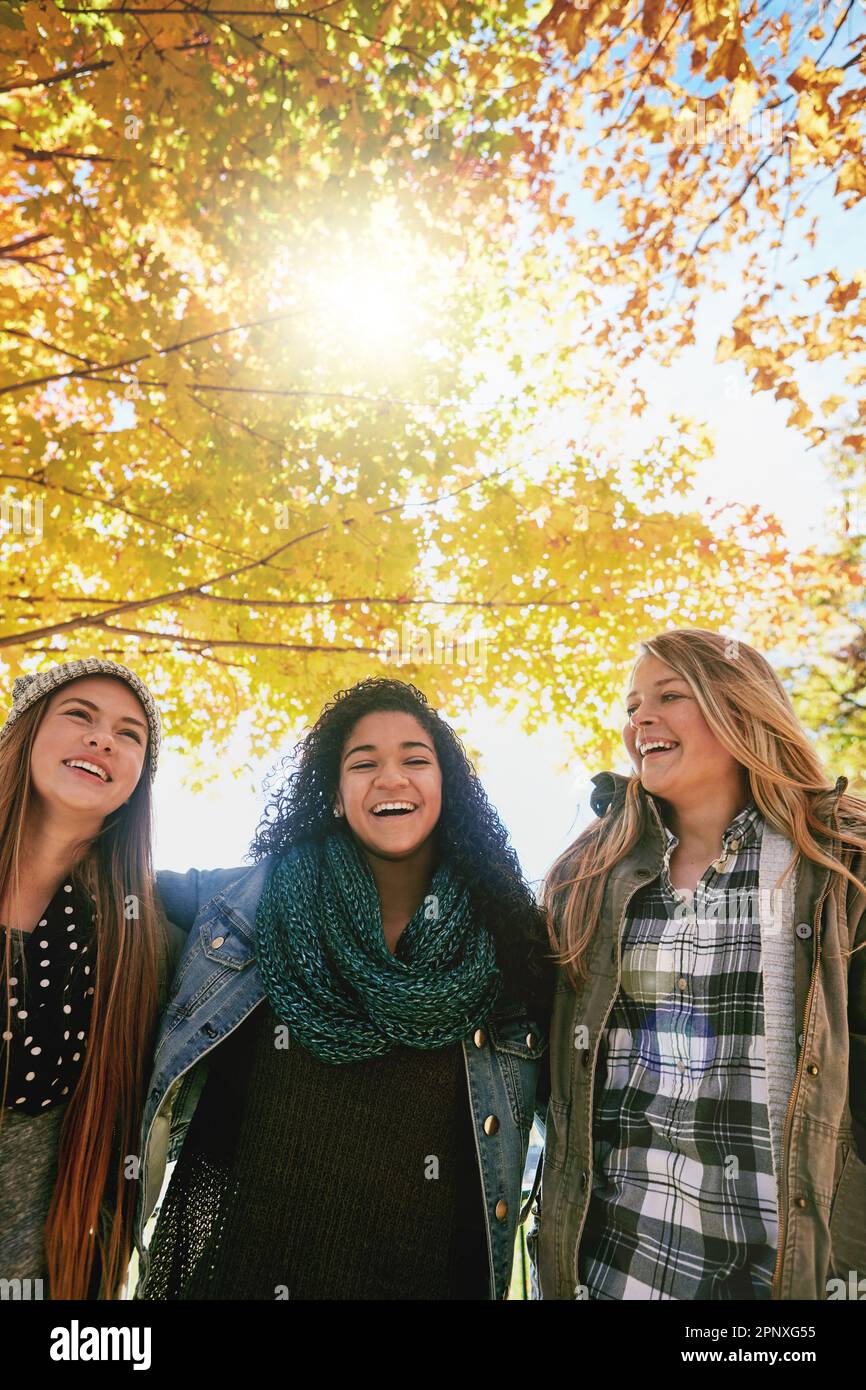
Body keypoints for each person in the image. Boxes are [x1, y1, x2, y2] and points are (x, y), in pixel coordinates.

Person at [134, 677, 551, 1300]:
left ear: (447, 788)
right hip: (241, 1274)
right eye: (364, 764)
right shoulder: (244, 905)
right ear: (334, 795)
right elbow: (98, 882)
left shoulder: (508, 939)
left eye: (416, 759)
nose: (392, 778)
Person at [538, 628, 866, 1300]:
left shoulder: (840, 863)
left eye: (668, 695)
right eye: (631, 706)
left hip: (783, 1278)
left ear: (741, 709)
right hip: (612, 1273)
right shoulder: (588, 878)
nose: (639, 720)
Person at [0, 658, 169, 1299]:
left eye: (130, 735)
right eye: (80, 715)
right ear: (25, 732)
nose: (104, 739)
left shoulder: (142, 941)